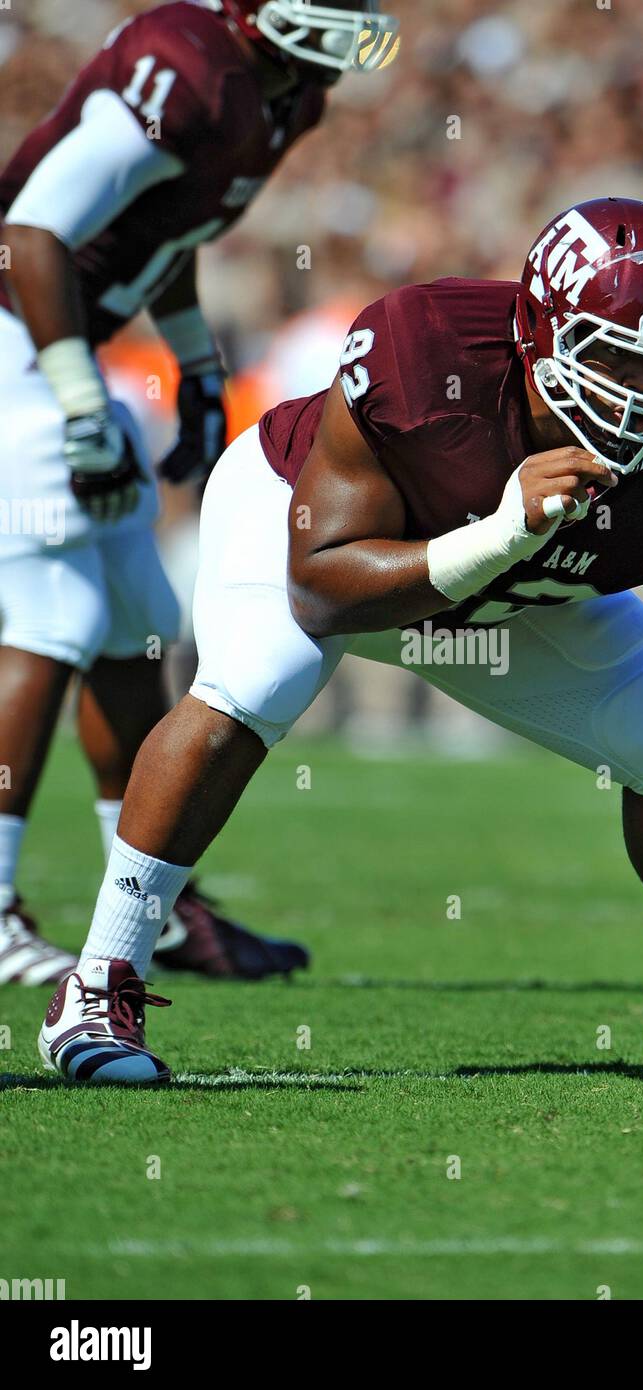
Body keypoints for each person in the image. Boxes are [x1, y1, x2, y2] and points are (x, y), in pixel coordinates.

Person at [39, 198, 643, 1092]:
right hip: (309, 528)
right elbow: (320, 585)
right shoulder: (425, 351)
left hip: (507, 593)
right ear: (539, 334)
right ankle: (99, 980)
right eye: (617, 357)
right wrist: (494, 535)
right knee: (259, 678)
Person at [0, 0, 399, 984]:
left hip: (61, 343)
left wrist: (198, 365)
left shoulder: (284, 93)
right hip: (16, 332)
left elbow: (167, 229)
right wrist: (80, 403)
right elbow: (33, 227)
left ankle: (153, 909)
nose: (354, 18)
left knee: (136, 614)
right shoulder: (184, 68)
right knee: (57, 609)